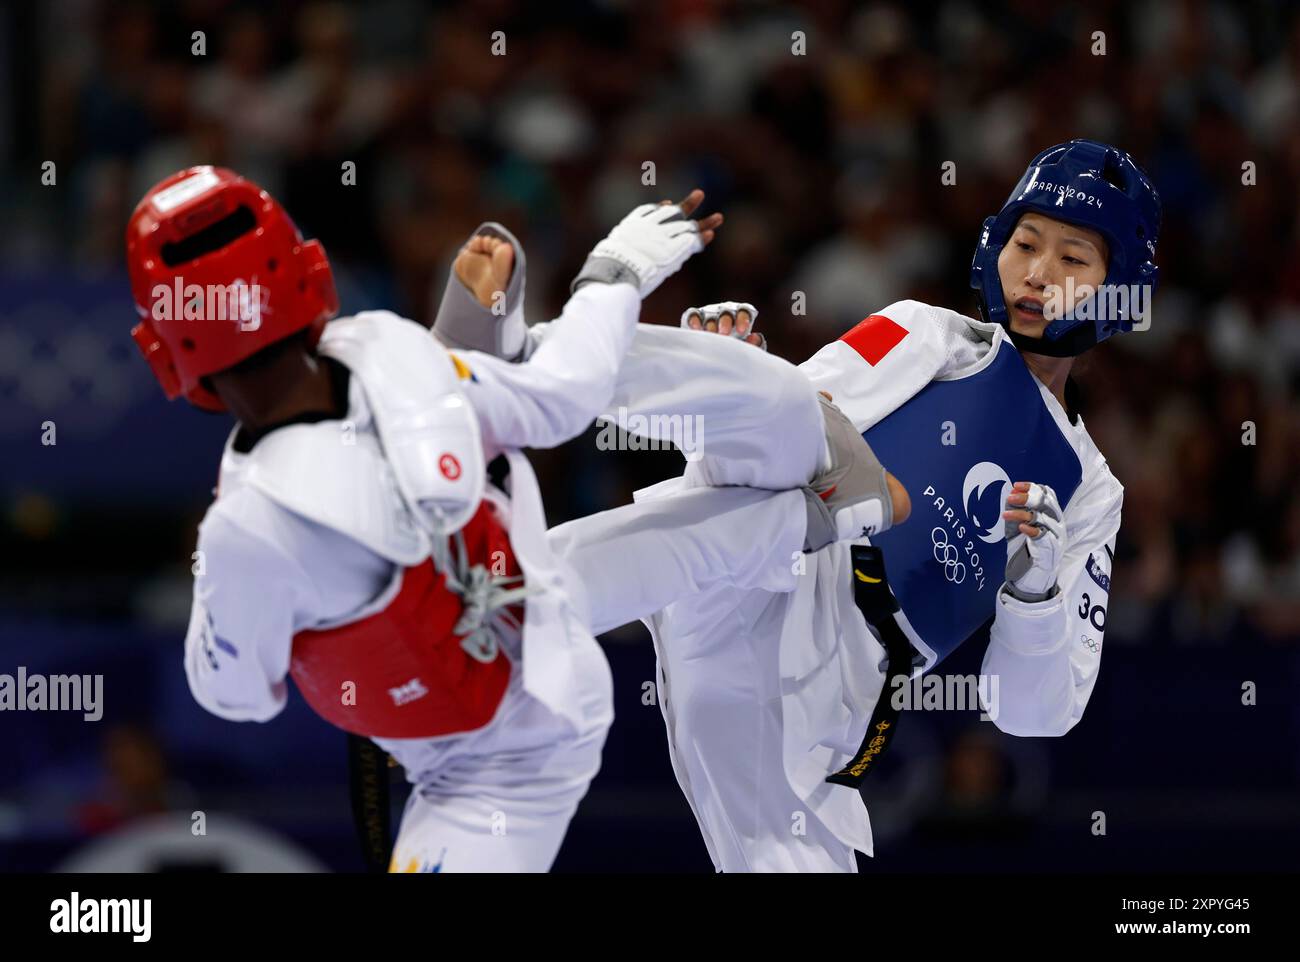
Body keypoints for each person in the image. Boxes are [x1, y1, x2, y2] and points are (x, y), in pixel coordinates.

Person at [127, 166, 897, 872]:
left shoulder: (250, 525)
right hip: (540, 637)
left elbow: (234, 694)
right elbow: (565, 398)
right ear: (310, 273)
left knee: (608, 555)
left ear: (165, 353)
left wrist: (238, 583)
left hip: (485, 764)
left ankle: (794, 503)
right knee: (586, 473)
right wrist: (616, 271)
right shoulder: (385, 350)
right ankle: (795, 498)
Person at [461, 140, 1160, 872]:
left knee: (749, 468)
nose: (1039, 274)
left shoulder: (1091, 493)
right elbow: (798, 430)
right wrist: (733, 378)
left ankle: (512, 581)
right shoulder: (935, 335)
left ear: (1121, 293)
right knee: (779, 410)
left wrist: (1035, 593)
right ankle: (531, 369)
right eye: (1026, 244)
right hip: (783, 563)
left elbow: (1032, 712)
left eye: (1074, 261)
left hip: (815, 718)